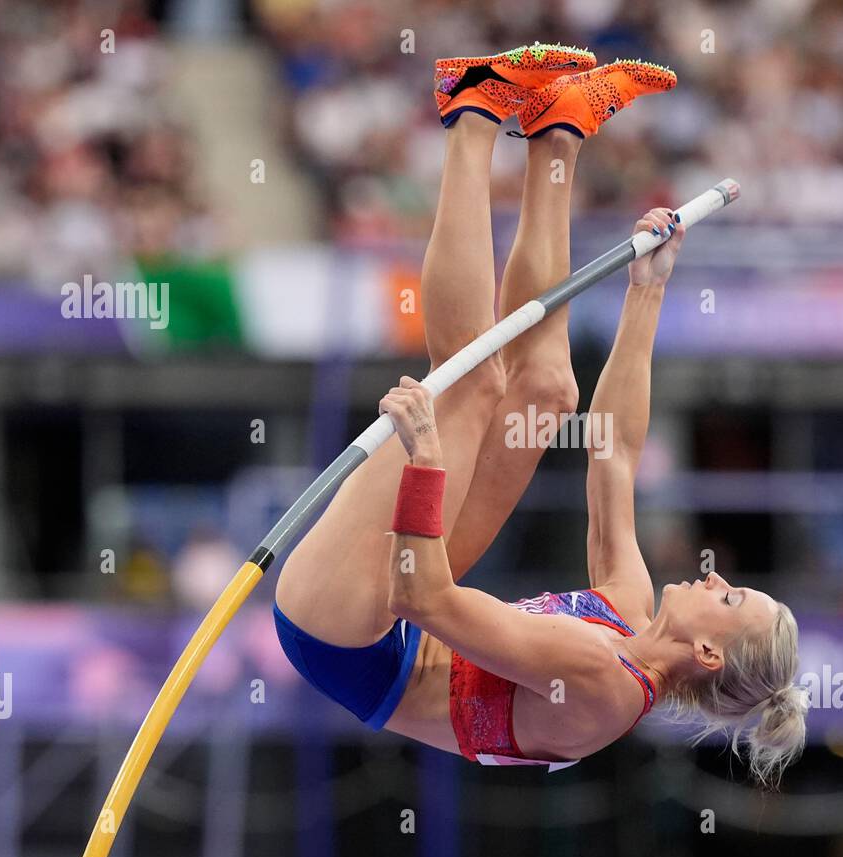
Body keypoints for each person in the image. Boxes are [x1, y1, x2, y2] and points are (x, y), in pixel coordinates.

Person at [273, 44, 805, 782]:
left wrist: (428, 462)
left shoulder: (599, 677)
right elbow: (613, 447)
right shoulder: (627, 606)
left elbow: (419, 594)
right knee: (550, 392)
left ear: (710, 653)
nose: (718, 579)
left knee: (468, 385)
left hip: (347, 633)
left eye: (731, 596)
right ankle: (559, 132)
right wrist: (646, 291)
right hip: (400, 609)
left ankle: (472, 111)